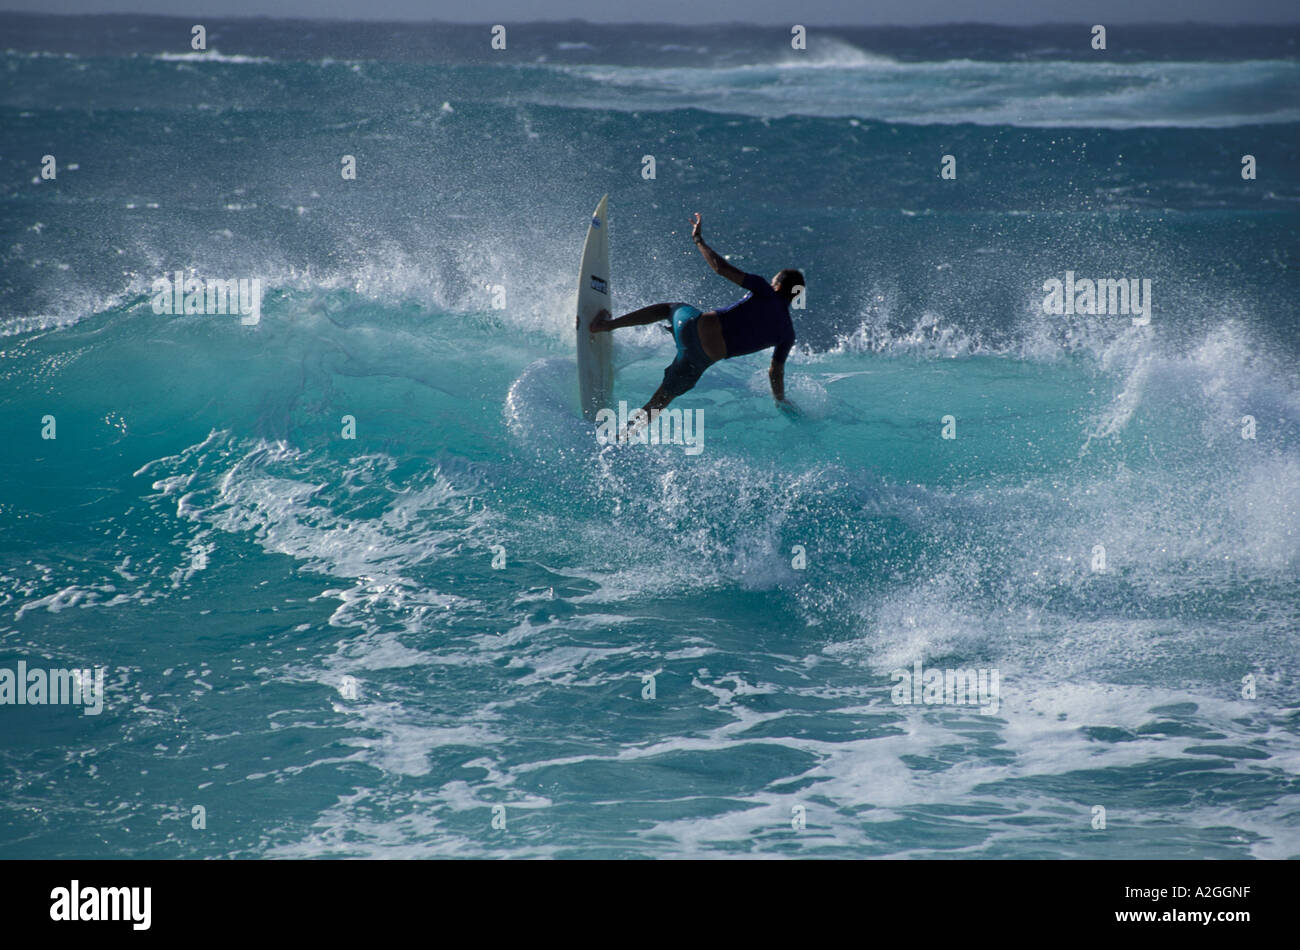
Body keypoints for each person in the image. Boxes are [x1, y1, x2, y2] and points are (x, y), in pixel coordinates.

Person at [590, 213, 802, 430]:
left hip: (691, 327)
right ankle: (621, 436)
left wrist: (699, 240)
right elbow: (775, 372)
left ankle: (604, 325)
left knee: (669, 309)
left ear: (777, 284)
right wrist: (780, 400)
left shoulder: (764, 289)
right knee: (659, 402)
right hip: (697, 361)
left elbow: (721, 268)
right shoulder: (787, 334)